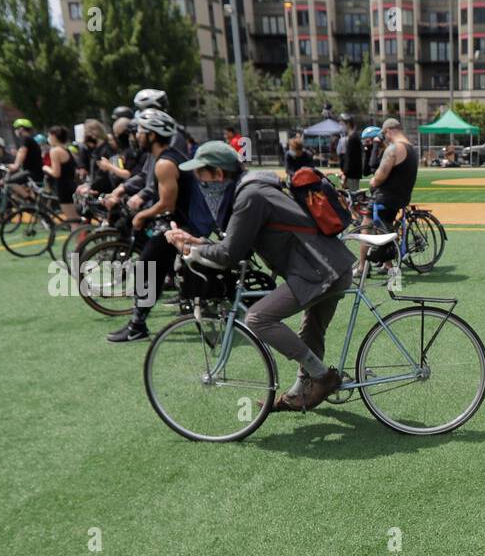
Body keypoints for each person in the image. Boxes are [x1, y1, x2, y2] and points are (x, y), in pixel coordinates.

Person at [164, 140, 357, 411]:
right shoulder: (254, 190)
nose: (199, 182)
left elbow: (229, 253)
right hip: (329, 267)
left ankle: (322, 377)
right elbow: (233, 245)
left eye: (201, 175)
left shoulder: (250, 196)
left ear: (219, 174)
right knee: (311, 328)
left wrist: (190, 248)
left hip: (319, 271)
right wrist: (197, 243)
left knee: (258, 318)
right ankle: (301, 392)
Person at [107, 109, 197, 343]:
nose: (136, 135)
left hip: (182, 225)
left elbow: (168, 204)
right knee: (152, 271)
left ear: (153, 135)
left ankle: (137, 326)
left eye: (141, 131)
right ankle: (138, 323)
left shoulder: (165, 163)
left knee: (145, 269)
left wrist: (142, 215)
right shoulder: (164, 157)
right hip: (176, 223)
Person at [364, 118, 417, 270]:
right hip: (401, 196)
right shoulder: (411, 147)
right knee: (386, 227)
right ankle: (388, 264)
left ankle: (364, 267)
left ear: (389, 131)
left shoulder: (394, 149)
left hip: (386, 197)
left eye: (385, 134)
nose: (385, 137)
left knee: (370, 226)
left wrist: (372, 182)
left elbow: (379, 177)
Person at [43, 125, 78, 220]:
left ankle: (78, 234)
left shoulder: (55, 151)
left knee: (72, 219)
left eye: (49, 136)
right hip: (71, 185)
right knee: (75, 217)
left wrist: (46, 168)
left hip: (63, 187)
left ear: (54, 136)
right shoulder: (66, 149)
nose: (48, 139)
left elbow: (56, 173)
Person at [340, 116, 364, 191]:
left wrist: (345, 174)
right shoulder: (353, 136)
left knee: (352, 196)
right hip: (352, 174)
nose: (341, 126)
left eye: (342, 124)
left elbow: (350, 159)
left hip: (352, 175)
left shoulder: (353, 137)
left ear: (348, 124)